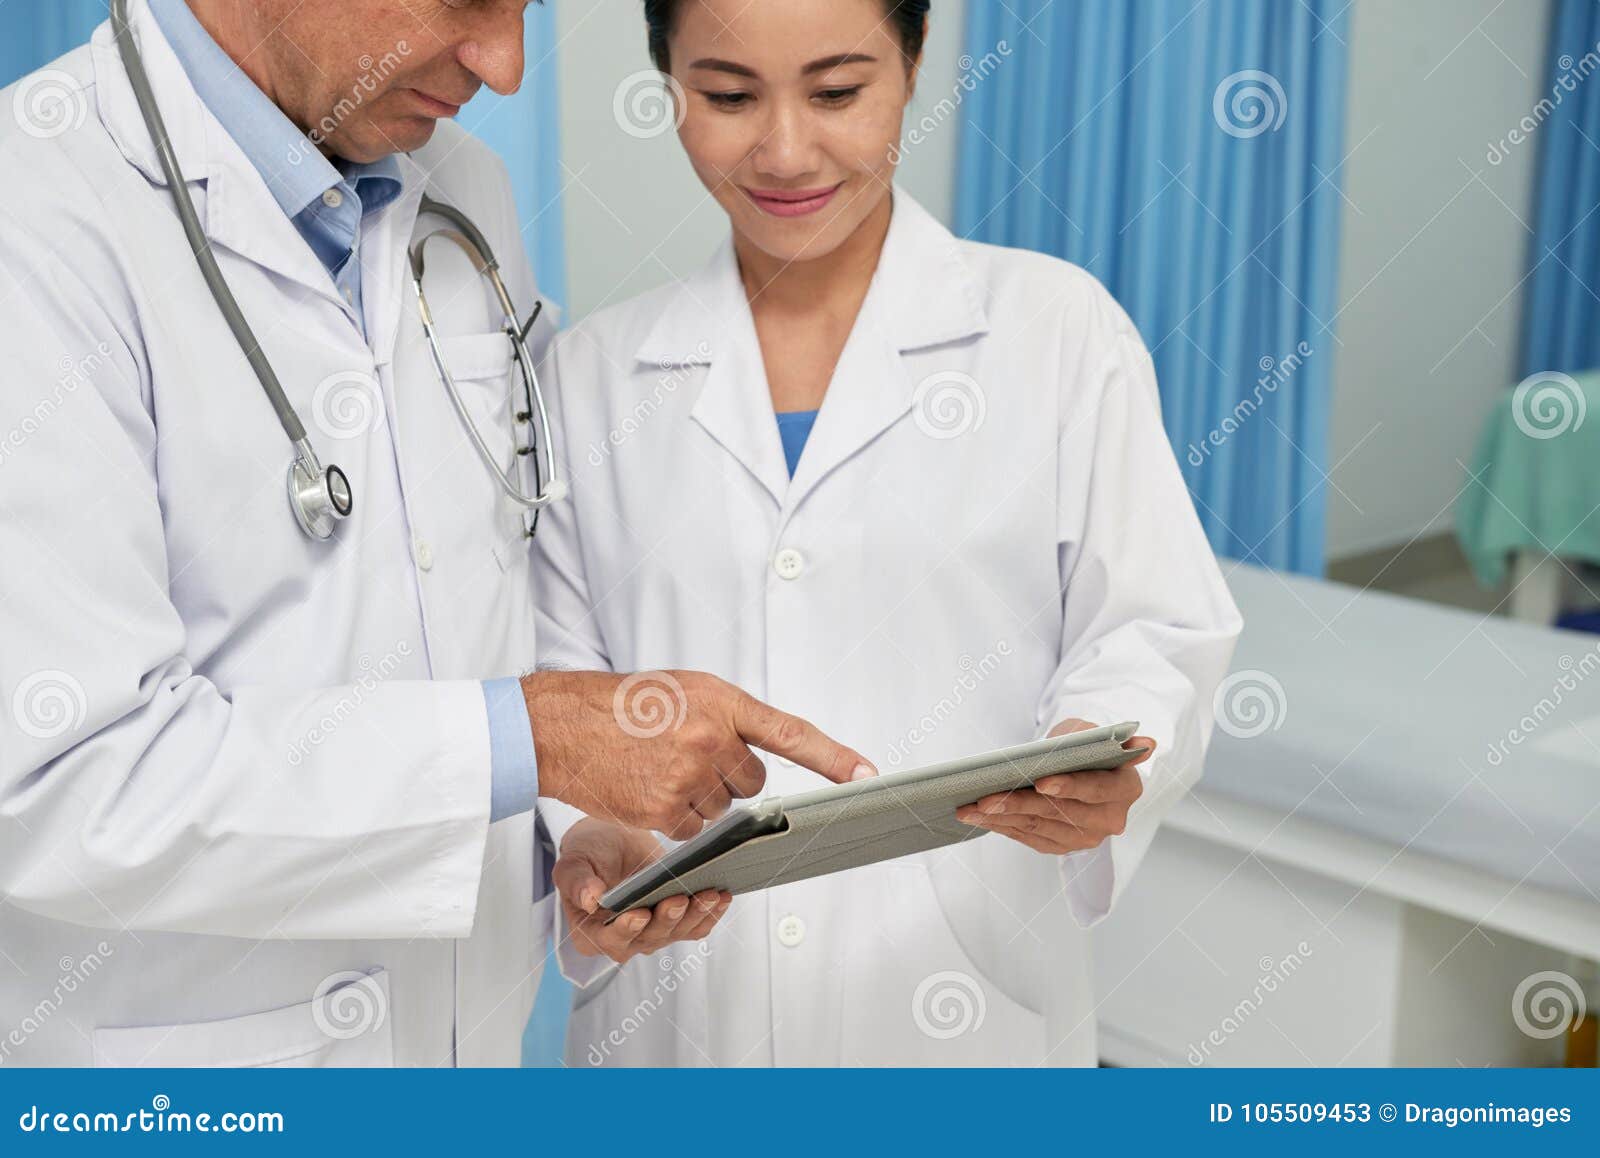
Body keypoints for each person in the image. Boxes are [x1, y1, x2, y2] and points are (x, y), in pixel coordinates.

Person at [0, 0, 868, 1068]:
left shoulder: (463, 191)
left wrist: (569, 831)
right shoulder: (32, 214)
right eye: (465, 3)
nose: (503, 68)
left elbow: (490, 584)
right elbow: (60, 786)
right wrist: (533, 740)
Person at [534, 0, 1244, 1066]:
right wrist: (589, 839)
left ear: (912, 66)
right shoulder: (590, 376)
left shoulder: (1054, 330)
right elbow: (557, 680)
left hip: (960, 1008)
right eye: (727, 95)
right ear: (667, 87)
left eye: (836, 92)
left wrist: (1099, 744)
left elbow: (1154, 624)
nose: (782, 149)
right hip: (679, 1022)